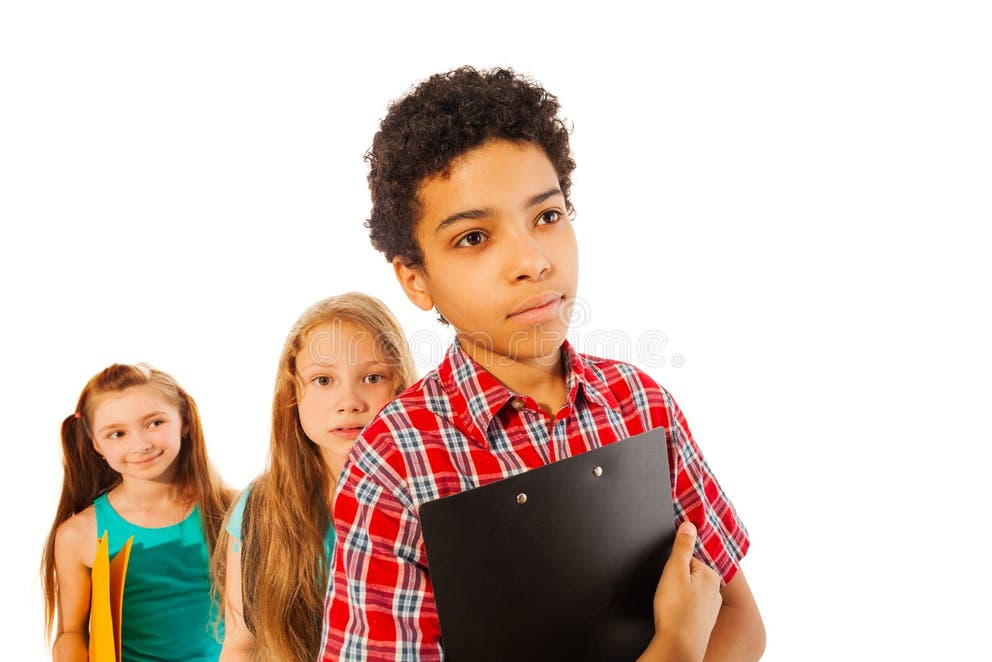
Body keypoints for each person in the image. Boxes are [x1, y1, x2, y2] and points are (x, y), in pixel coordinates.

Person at [319, 67, 766, 661]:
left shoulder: (640, 403)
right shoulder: (394, 467)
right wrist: (678, 646)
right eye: (474, 237)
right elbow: (696, 633)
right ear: (415, 277)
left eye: (547, 216)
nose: (532, 260)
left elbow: (739, 617)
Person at [215, 293, 416, 661]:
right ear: (292, 394)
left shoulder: (432, 497)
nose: (350, 401)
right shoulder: (260, 507)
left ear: (400, 385)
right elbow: (240, 643)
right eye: (324, 380)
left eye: (372, 377)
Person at [42, 363, 232, 661]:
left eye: (155, 423)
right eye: (117, 434)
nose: (141, 444)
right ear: (96, 445)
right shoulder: (78, 534)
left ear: (184, 422)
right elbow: (72, 633)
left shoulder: (233, 510)